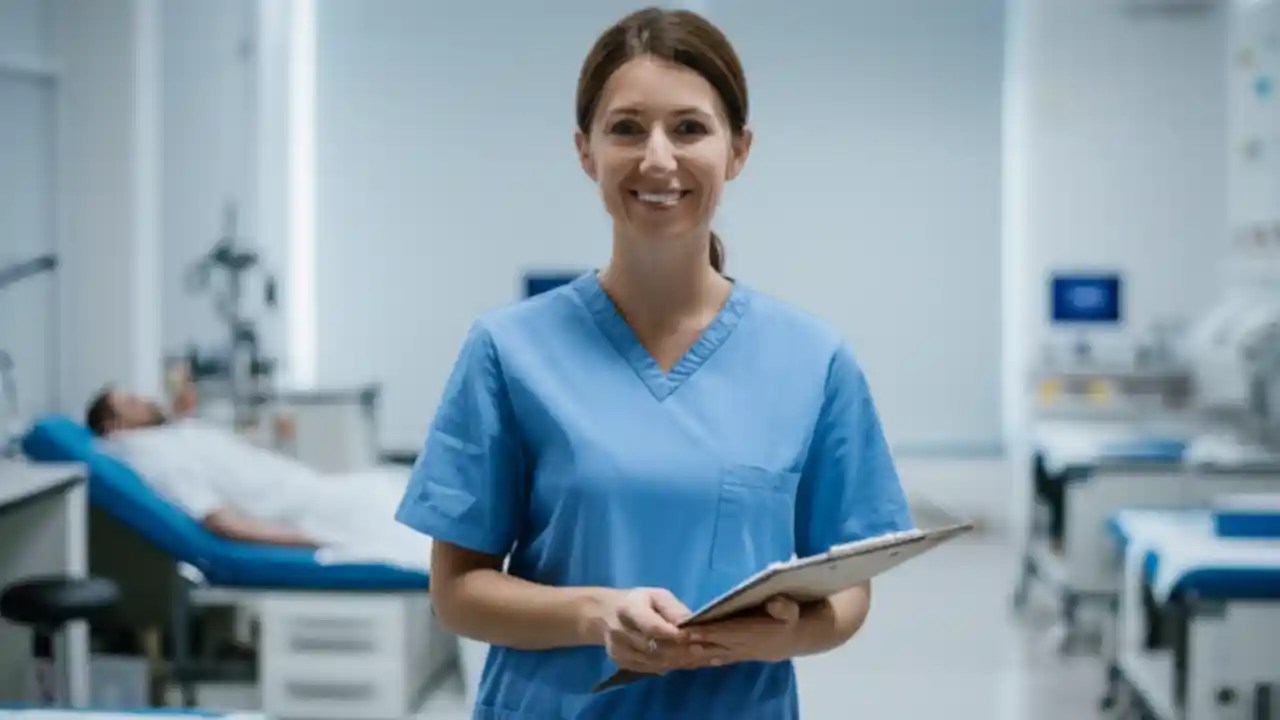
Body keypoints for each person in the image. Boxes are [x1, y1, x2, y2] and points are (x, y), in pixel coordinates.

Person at [394, 7, 914, 718]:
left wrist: (762, 638)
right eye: (627, 128)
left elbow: (851, 588)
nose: (659, 159)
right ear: (586, 151)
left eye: (690, 128)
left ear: (739, 150)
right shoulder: (509, 352)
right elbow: (456, 593)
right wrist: (596, 615)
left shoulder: (812, 361)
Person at [86, 386, 426, 566]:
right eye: (132, 401)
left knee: (397, 488)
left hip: (315, 492)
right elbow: (221, 522)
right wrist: (309, 538)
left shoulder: (173, 436)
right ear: (114, 426)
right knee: (408, 519)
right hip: (311, 512)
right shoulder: (154, 456)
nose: (145, 398)